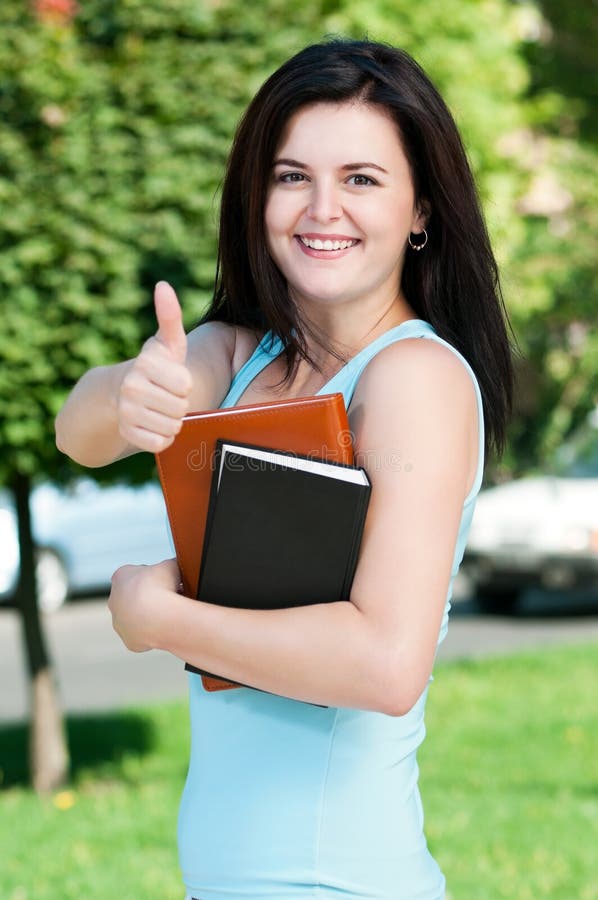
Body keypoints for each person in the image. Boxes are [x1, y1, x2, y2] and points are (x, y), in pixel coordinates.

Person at [55, 38, 513, 900]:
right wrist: (130, 391)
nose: (321, 209)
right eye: (291, 175)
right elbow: (78, 432)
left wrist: (162, 618)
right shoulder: (239, 353)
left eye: (362, 179)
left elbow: (384, 664)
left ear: (422, 212)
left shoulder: (411, 378)